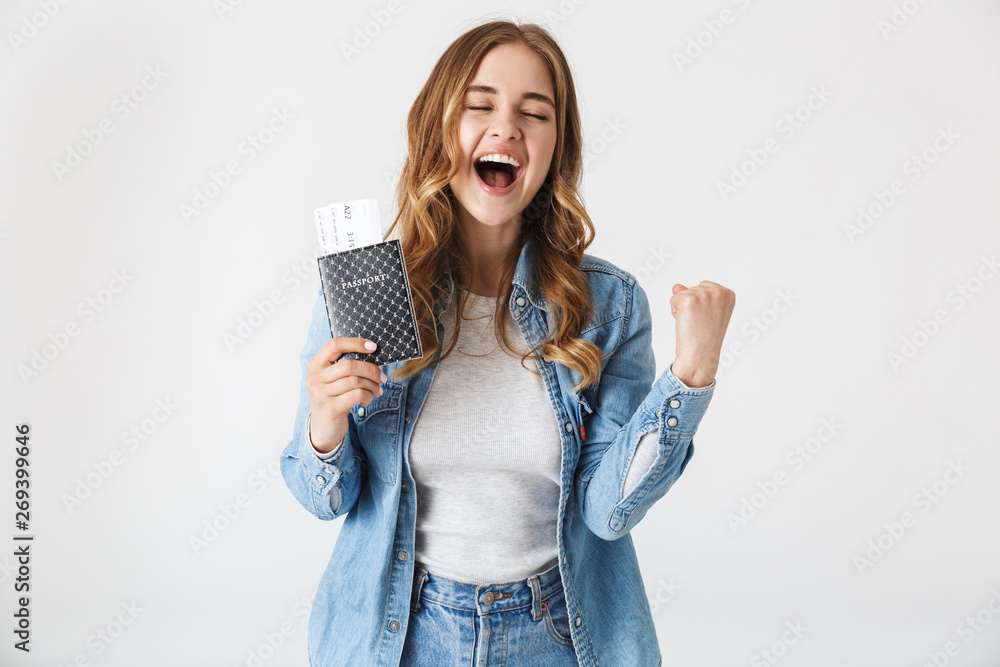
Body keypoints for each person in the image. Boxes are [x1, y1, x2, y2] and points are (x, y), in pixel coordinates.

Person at [279, 18, 735, 666]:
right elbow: (322, 498)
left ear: (556, 146)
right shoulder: (368, 290)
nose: (507, 127)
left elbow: (609, 513)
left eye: (535, 111)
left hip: (558, 635)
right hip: (403, 636)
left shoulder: (608, 306)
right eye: (480, 104)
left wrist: (691, 375)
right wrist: (325, 423)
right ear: (441, 126)